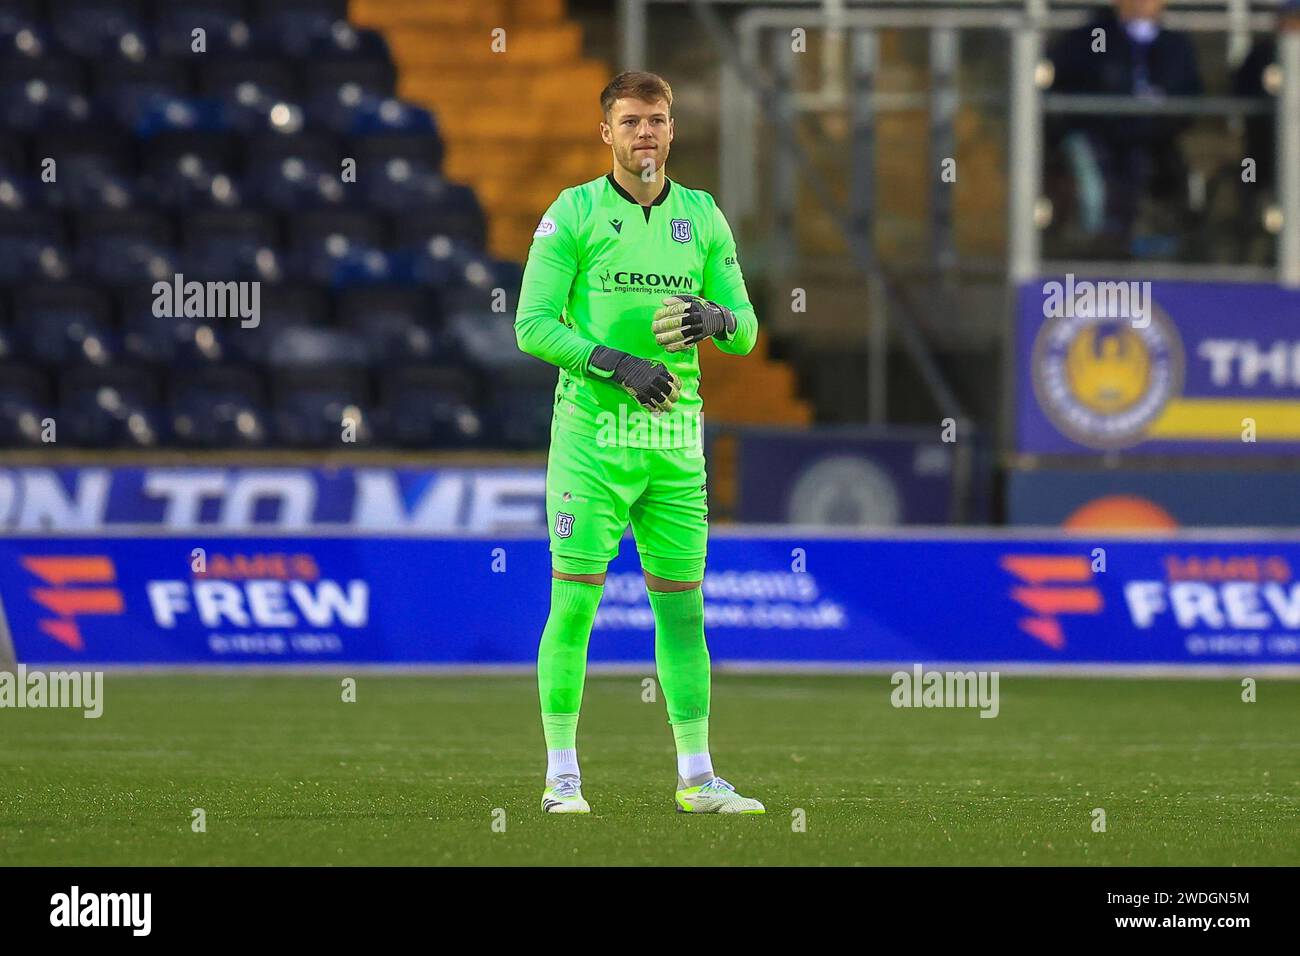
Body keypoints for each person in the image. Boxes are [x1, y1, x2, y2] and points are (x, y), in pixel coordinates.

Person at [514, 71, 765, 814]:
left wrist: (712, 318)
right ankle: (562, 775)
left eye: (656, 120)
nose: (644, 134)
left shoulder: (703, 217)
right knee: (575, 609)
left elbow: (747, 331)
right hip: (591, 445)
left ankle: (697, 777)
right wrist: (617, 363)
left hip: (673, 451)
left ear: (671, 130)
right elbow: (531, 325)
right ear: (607, 134)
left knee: (684, 612)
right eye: (630, 122)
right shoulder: (574, 214)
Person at [1048, 0, 1204, 252]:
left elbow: (1190, 95)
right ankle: (1093, 247)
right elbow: (1068, 90)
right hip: (1097, 137)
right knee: (1093, 189)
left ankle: (1157, 244)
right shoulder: (1088, 39)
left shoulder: (1175, 45)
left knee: (1170, 185)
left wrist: (1159, 121)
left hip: (1156, 141)